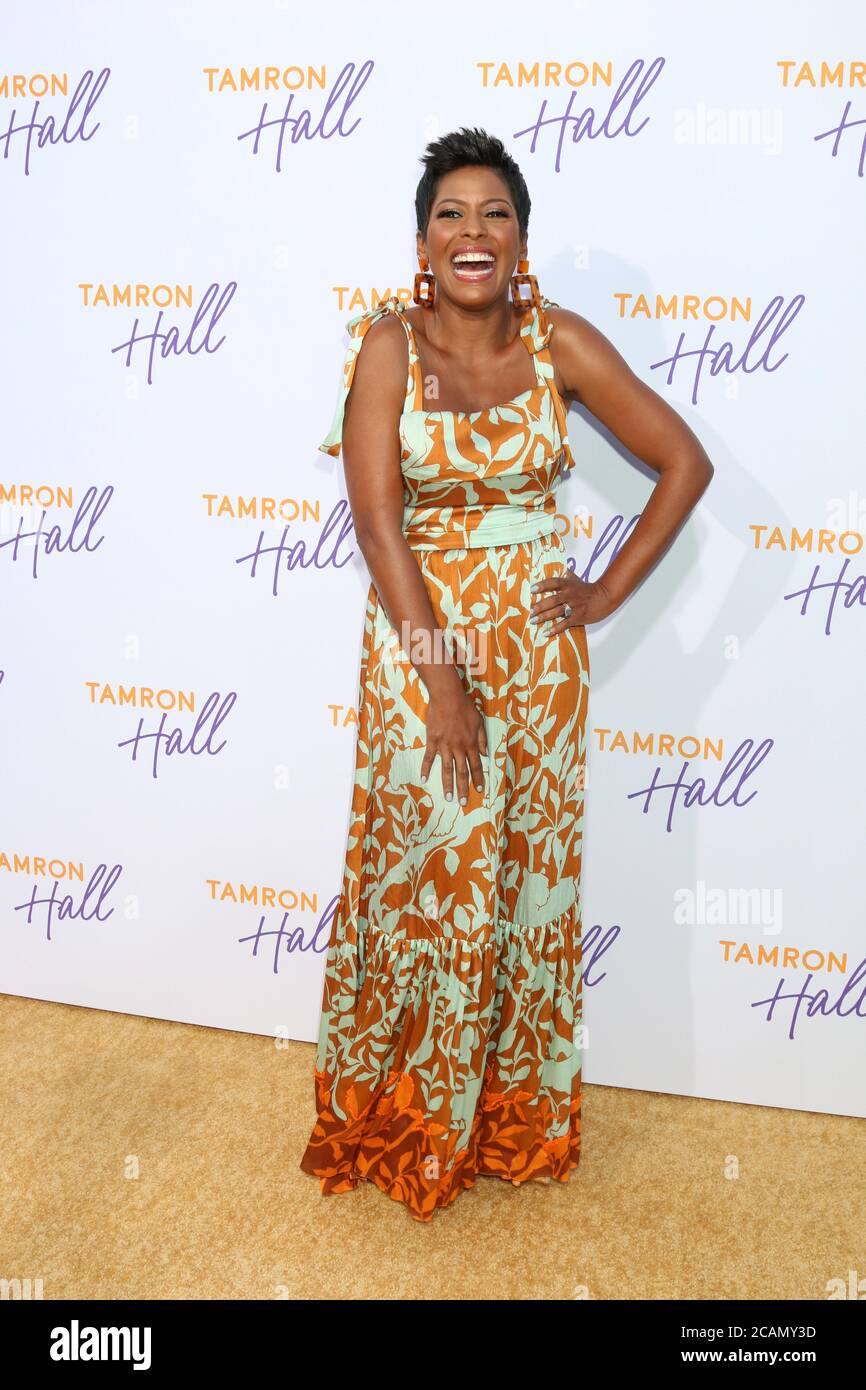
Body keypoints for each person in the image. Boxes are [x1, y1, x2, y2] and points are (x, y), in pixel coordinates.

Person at [299, 126, 713, 1222]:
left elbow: (683, 461)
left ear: (519, 237)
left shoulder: (558, 342)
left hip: (537, 662)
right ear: (421, 241)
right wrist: (438, 679)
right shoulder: (385, 347)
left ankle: (507, 1115)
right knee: (423, 874)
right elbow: (379, 525)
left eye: (493, 214)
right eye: (451, 213)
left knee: (523, 881)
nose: (472, 232)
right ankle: (407, 1109)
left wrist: (603, 593)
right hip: (419, 644)